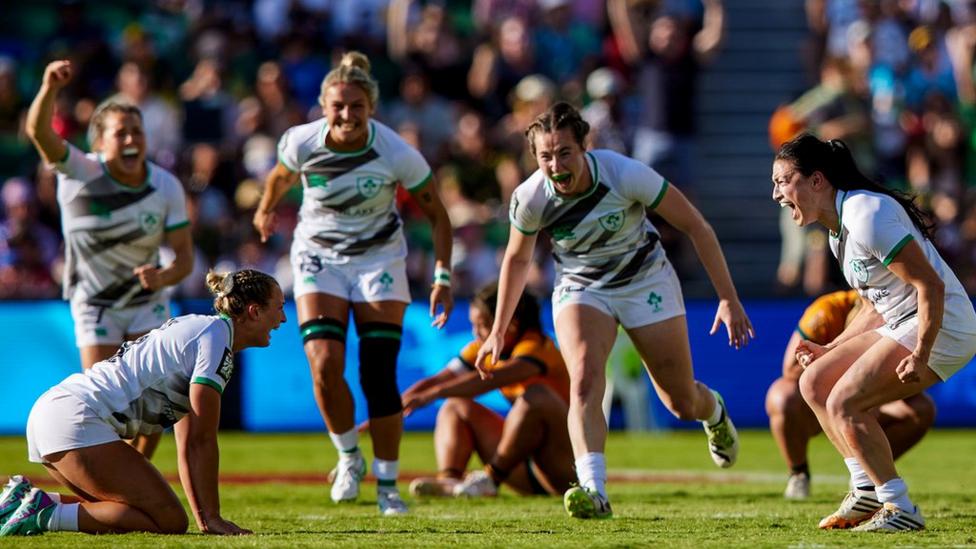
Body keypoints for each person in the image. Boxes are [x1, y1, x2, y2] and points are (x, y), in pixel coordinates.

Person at [477, 102, 754, 519]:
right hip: (581, 287)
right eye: (545, 156)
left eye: (564, 153)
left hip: (646, 281)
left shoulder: (624, 174)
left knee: (679, 402)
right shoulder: (530, 197)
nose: (555, 165)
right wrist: (498, 330)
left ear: (584, 148)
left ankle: (712, 411)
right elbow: (516, 261)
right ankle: (594, 489)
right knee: (585, 379)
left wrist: (728, 298)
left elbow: (696, 225)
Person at [253, 51, 453, 516]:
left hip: (378, 260)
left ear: (372, 108)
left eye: (356, 106)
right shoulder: (301, 142)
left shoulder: (397, 152)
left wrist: (442, 276)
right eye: (337, 105)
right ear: (323, 106)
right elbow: (279, 178)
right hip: (317, 256)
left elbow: (439, 215)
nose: (346, 114)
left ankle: (387, 485)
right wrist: (265, 209)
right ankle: (348, 458)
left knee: (378, 373)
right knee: (323, 363)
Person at [771, 133, 976, 531]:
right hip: (905, 321)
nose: (777, 194)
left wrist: (920, 353)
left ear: (817, 180)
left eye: (782, 181)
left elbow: (930, 286)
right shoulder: (837, 232)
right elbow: (873, 306)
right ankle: (865, 490)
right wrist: (831, 347)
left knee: (845, 403)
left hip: (946, 325)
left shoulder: (865, 213)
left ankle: (900, 508)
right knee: (814, 382)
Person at [0, 269, 285, 537]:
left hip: (56, 414)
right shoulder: (215, 339)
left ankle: (25, 501)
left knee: (133, 511)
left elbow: (188, 443)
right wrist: (212, 517)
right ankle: (43, 514)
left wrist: (206, 517)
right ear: (254, 310)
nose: (283, 318)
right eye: (279, 307)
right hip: (75, 419)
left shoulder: (206, 330)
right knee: (169, 520)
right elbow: (201, 440)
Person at [25, 60, 193, 460]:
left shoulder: (165, 184)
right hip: (95, 302)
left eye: (138, 132)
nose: (132, 139)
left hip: (145, 301)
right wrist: (49, 86)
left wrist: (165, 275)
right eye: (122, 133)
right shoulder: (79, 170)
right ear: (100, 143)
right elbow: (37, 131)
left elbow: (185, 258)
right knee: (106, 402)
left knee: (156, 401)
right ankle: (119, 482)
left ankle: (134, 477)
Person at [402, 282, 576, 499]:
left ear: (509, 324)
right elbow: (438, 380)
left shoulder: (538, 347)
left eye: (482, 326)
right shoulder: (483, 347)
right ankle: (450, 482)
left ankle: (490, 480)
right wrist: (395, 406)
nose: (476, 334)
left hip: (562, 468)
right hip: (519, 467)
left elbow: (491, 380)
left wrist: (433, 394)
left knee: (536, 395)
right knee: (455, 406)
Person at [765, 290, 936, 500]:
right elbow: (790, 369)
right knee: (782, 395)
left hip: (868, 399)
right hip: (819, 396)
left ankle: (871, 473)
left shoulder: (899, 313)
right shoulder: (826, 311)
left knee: (920, 410)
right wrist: (834, 361)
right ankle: (798, 472)